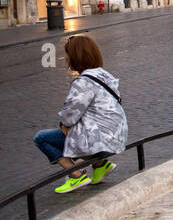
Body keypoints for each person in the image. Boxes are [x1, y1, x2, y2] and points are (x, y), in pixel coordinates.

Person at [33, 34, 127, 193]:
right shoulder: (104, 75)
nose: (66, 59)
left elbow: (69, 115)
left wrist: (64, 125)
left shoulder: (83, 82)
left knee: (42, 138)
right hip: (117, 136)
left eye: (68, 54)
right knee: (78, 133)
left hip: (101, 141)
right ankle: (100, 165)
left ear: (76, 57)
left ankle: (76, 175)